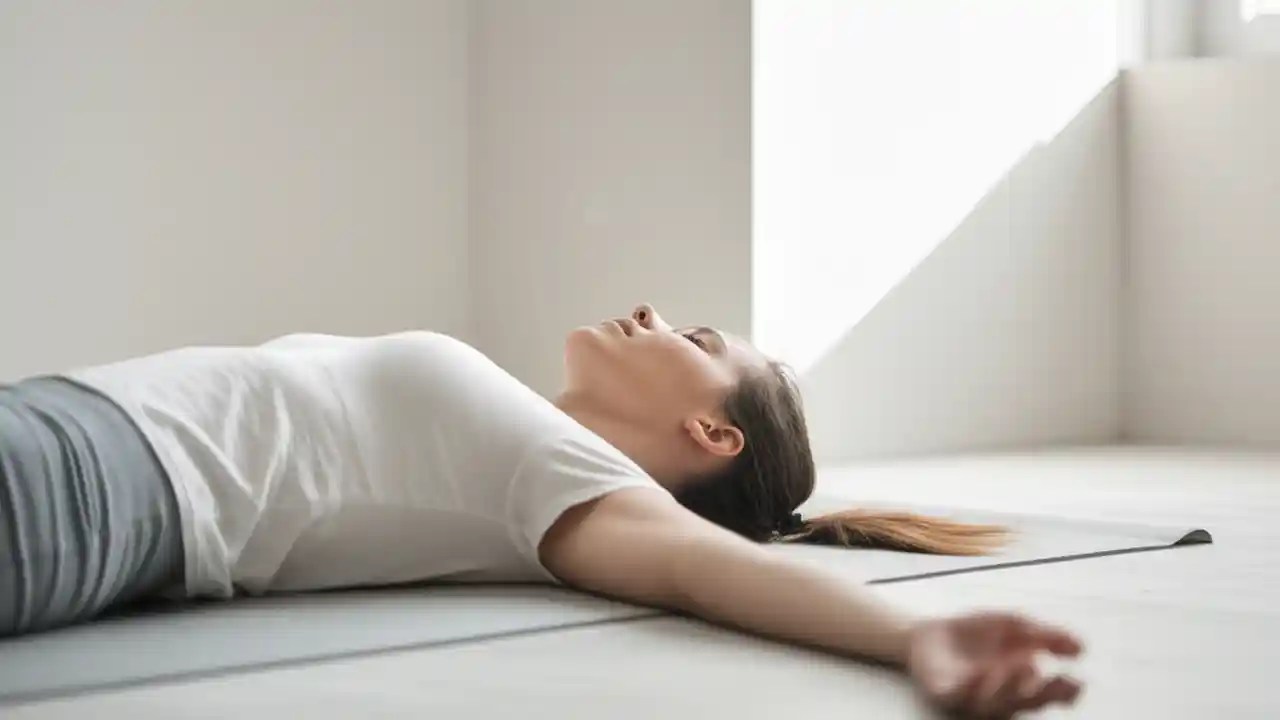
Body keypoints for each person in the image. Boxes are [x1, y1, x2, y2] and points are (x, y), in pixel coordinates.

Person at [0, 303, 1083, 717]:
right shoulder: (533, 454)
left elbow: (705, 568)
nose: (654, 311)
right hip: (60, 434)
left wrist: (913, 636)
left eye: (697, 340)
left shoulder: (556, 474)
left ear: (715, 435)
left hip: (91, 486)